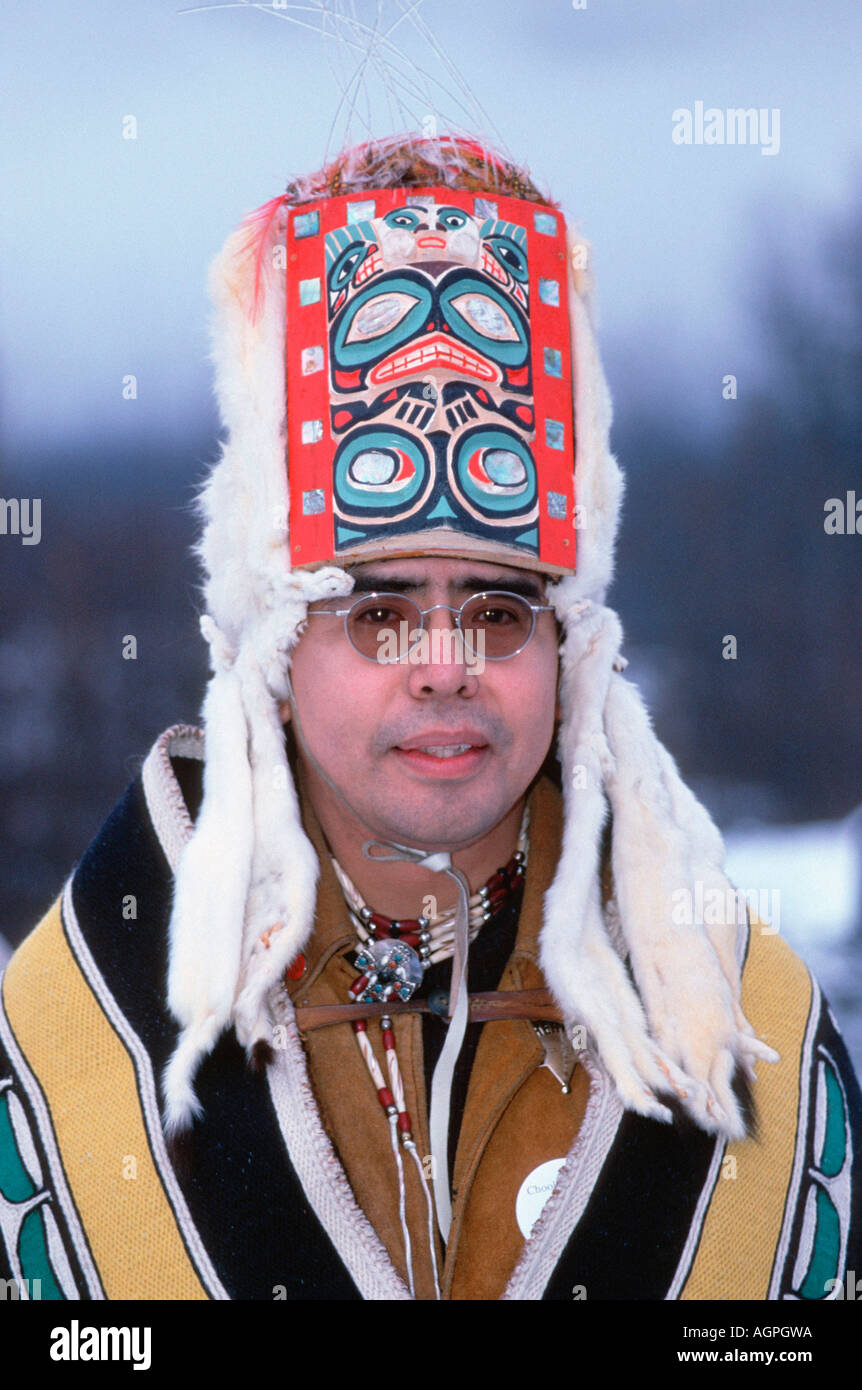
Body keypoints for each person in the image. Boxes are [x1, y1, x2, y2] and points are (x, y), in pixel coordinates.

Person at [1, 132, 859, 1302]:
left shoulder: (747, 1028)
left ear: (570, 644)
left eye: (501, 608)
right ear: (272, 638)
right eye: (378, 608)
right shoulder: (59, 1051)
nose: (447, 665)